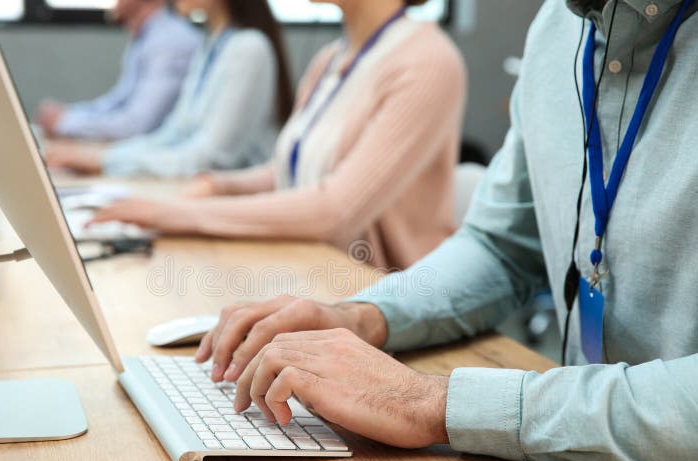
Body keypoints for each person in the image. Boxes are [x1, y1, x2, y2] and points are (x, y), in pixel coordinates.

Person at [191, 0, 698, 461]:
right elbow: (501, 246)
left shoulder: (425, 56)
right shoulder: (558, 28)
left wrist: (435, 402)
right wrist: (361, 316)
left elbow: (335, 206)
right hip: (577, 458)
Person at [88, 0, 466, 270]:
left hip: (387, 294)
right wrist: (219, 186)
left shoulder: (427, 61)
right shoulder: (331, 59)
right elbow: (291, 171)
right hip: (314, 271)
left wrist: (176, 213)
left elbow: (334, 210)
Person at [46, 0, 292, 179]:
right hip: (203, 194)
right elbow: (171, 134)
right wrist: (103, 156)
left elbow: (211, 159)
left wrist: (105, 159)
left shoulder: (249, 49)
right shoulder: (211, 45)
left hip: (235, 205)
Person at [37, 0, 200, 141]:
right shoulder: (146, 36)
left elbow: (137, 125)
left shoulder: (171, 41)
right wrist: (69, 115)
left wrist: (66, 123)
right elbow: (118, 101)